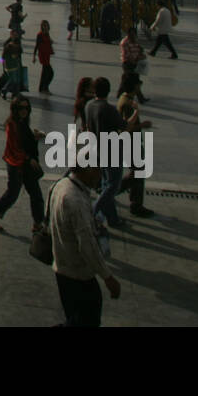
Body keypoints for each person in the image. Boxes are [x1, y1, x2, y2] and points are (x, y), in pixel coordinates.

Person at [50, 164, 121, 326]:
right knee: (88, 320)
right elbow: (87, 246)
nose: (100, 177)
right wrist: (108, 277)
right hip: (78, 273)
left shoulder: (60, 185)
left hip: (61, 267)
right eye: (98, 171)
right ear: (88, 170)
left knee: (74, 319)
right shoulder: (76, 200)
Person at [0, 98, 46, 233]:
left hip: (24, 163)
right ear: (15, 109)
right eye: (21, 108)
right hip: (16, 164)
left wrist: (34, 137)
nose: (24, 111)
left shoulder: (22, 122)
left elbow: (24, 142)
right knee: (13, 193)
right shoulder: (11, 125)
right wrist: (29, 158)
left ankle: (38, 223)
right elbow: (15, 147)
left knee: (35, 194)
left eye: (27, 108)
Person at [83, 77, 127, 228]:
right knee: (113, 185)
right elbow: (123, 125)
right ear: (108, 91)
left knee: (105, 182)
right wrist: (137, 118)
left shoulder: (89, 105)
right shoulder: (108, 108)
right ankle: (93, 210)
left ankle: (113, 219)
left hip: (98, 148)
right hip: (111, 149)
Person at [115, 80, 154, 218]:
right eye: (138, 85)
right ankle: (114, 192)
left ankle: (135, 203)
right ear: (134, 86)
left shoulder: (125, 98)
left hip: (130, 142)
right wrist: (142, 125)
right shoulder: (128, 103)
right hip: (131, 142)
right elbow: (127, 127)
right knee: (138, 172)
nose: (140, 87)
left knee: (138, 171)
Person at [0, 28, 23, 97]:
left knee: (15, 79)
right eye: (14, 34)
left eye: (16, 34)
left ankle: (14, 92)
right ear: (11, 35)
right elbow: (3, 57)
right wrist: (4, 65)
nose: (15, 35)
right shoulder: (8, 44)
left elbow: (20, 52)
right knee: (11, 79)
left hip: (15, 64)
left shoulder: (17, 41)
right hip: (9, 65)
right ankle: (2, 89)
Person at [32, 19, 55, 95]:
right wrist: (34, 56)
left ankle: (42, 88)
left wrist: (50, 41)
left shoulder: (47, 33)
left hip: (47, 55)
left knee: (44, 73)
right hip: (42, 55)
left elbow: (48, 41)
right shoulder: (40, 34)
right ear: (41, 26)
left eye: (46, 25)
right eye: (44, 25)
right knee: (50, 73)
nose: (45, 27)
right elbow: (36, 45)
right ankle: (45, 88)